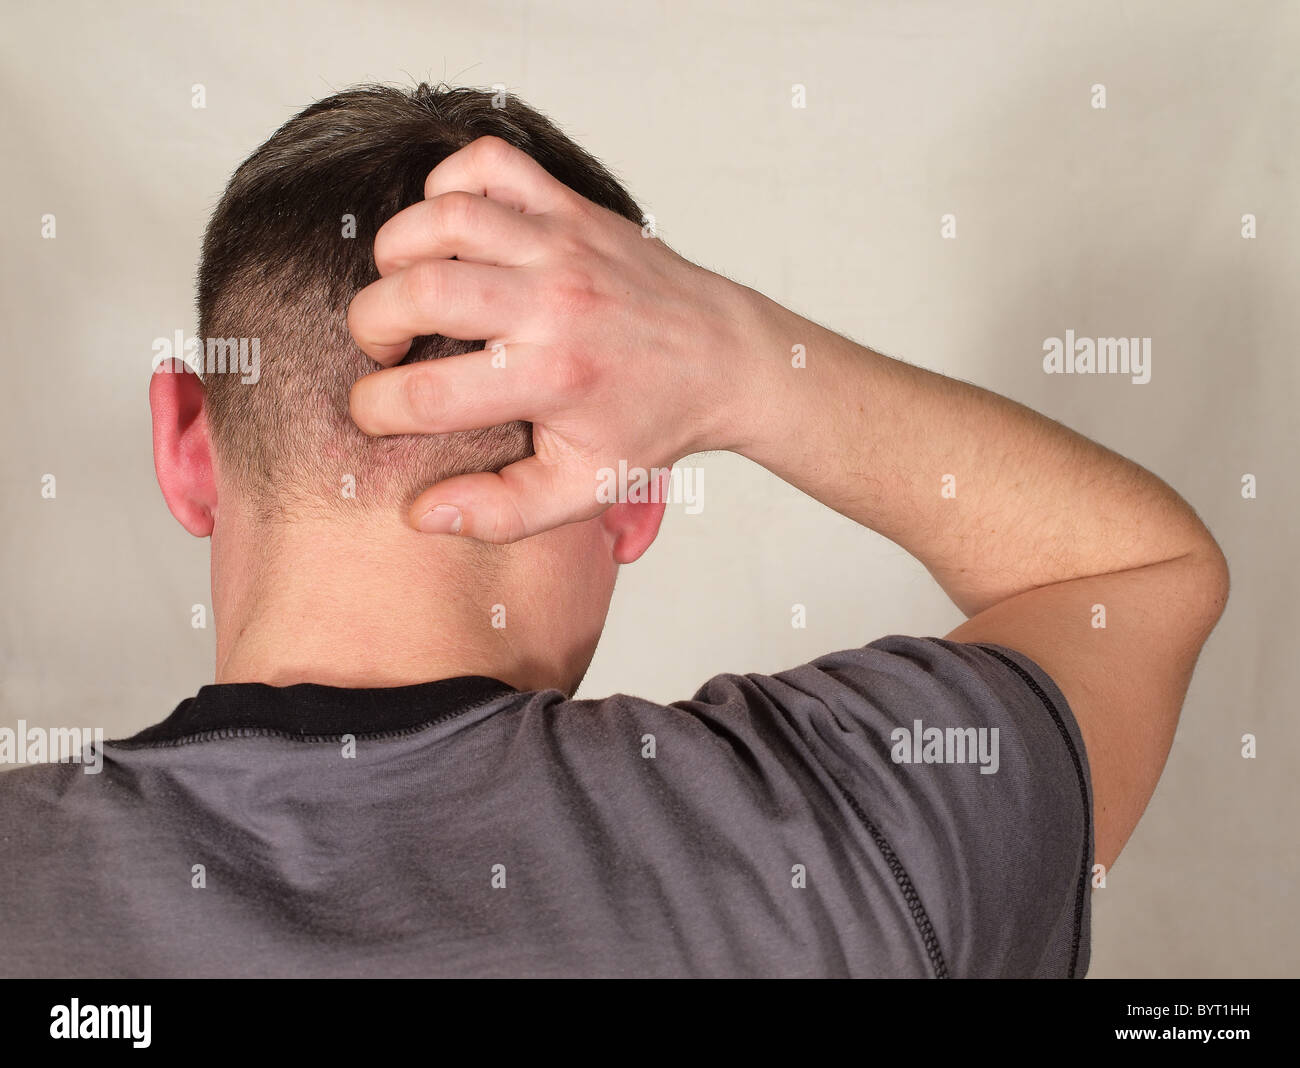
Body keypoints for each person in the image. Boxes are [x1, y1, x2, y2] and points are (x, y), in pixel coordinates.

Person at [0, 84, 1227, 978]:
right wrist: (746, 366)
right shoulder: (849, 839)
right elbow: (1136, 574)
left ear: (186, 444)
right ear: (635, 485)